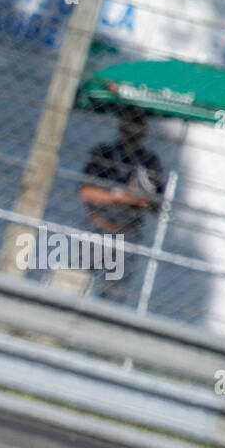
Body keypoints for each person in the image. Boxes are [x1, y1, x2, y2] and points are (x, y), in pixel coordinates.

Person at [79, 107, 163, 303]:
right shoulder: (104, 153)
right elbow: (87, 192)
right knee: (77, 280)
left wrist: (138, 196)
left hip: (126, 234)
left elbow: (154, 202)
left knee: (112, 293)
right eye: (129, 126)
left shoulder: (149, 162)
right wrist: (122, 196)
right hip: (97, 226)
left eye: (138, 127)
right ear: (121, 127)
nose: (133, 132)